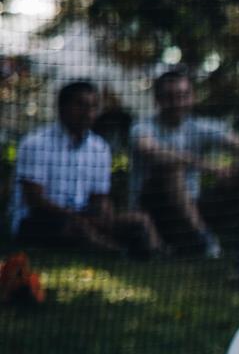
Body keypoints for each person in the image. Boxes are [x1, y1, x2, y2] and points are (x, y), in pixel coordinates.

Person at [131, 68, 239, 258]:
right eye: (170, 97)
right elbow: (151, 150)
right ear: (158, 100)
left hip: (194, 205)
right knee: (171, 168)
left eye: (183, 96)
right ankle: (204, 240)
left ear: (192, 97)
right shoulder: (142, 127)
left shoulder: (200, 126)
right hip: (155, 212)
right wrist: (207, 166)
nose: (177, 103)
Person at [7, 81, 162, 256]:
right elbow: (35, 200)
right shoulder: (36, 143)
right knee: (76, 227)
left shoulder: (99, 147)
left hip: (84, 216)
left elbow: (100, 196)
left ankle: (157, 254)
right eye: (80, 105)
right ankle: (117, 253)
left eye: (94, 106)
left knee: (140, 220)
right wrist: (75, 216)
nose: (88, 113)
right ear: (61, 107)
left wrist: (105, 214)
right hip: (38, 221)